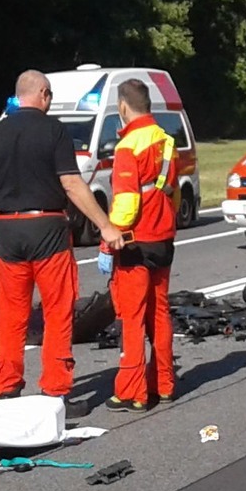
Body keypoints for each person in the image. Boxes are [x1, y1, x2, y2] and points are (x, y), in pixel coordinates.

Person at [0, 70, 123, 402]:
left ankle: (6, 387)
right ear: (42, 94)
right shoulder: (54, 131)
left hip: (8, 229)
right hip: (49, 230)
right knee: (57, 311)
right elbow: (71, 184)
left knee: (11, 315)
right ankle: (55, 389)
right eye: (50, 95)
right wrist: (105, 224)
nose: (50, 101)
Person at [104, 79, 179, 411]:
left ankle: (133, 391)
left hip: (135, 242)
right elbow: (172, 193)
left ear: (123, 106)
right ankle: (163, 384)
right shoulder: (166, 141)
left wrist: (109, 242)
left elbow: (126, 202)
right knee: (159, 314)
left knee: (132, 318)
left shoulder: (127, 146)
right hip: (163, 238)